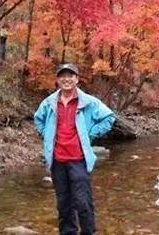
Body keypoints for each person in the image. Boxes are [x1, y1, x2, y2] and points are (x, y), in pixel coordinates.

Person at [34, 63, 116, 235]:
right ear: (57, 80)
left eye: (70, 75)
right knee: (63, 203)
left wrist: (90, 134)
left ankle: (88, 232)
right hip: (56, 160)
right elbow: (38, 119)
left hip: (78, 159)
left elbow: (109, 118)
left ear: (77, 79)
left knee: (82, 201)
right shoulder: (49, 102)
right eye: (62, 76)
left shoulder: (88, 102)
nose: (66, 79)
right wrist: (46, 135)